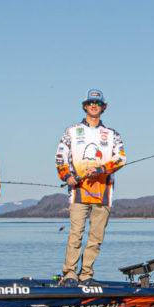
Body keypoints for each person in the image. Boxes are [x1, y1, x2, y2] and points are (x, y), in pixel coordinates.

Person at [55, 89, 125, 284]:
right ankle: (69, 273)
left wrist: (101, 169)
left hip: (103, 193)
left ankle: (86, 274)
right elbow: (60, 158)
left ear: (103, 107)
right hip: (78, 192)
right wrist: (67, 176)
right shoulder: (71, 131)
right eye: (90, 102)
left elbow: (120, 158)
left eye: (98, 103)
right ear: (85, 106)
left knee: (96, 237)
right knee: (75, 234)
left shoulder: (112, 134)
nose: (94, 105)